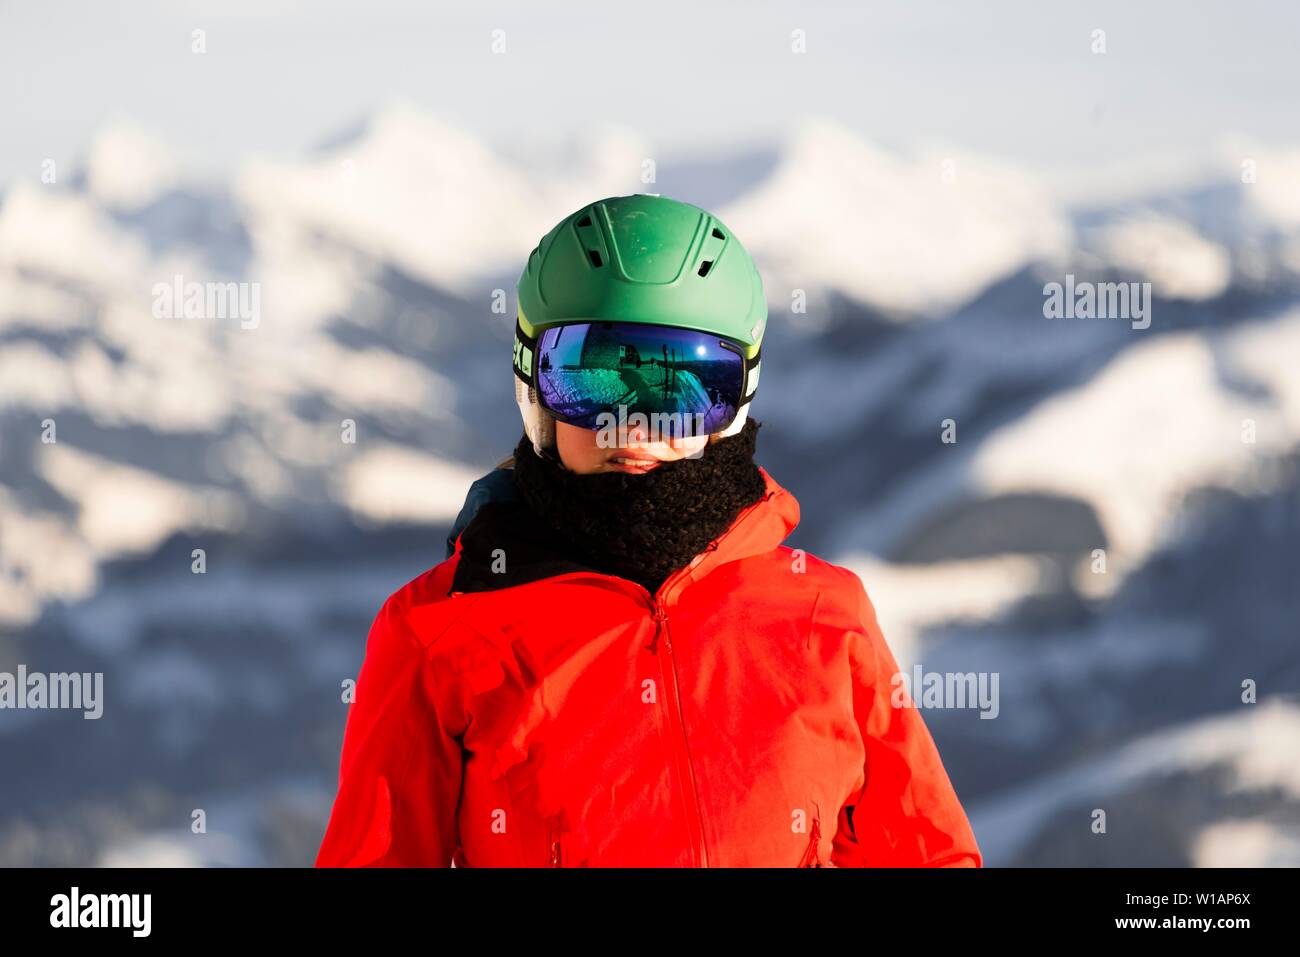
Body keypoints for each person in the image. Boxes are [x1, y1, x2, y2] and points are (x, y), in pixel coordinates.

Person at [315, 194, 982, 867]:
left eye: (680, 382)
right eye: (592, 375)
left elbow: (928, 853)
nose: (633, 423)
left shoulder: (824, 613)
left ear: (733, 403)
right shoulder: (439, 630)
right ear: (533, 387)